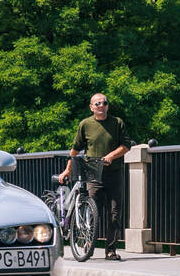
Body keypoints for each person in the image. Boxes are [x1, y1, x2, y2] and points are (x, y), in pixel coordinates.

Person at [57, 92, 132, 261]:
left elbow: (126, 145)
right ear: (91, 107)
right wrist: (67, 170)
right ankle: (87, 245)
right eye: (97, 104)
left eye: (104, 103)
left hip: (114, 173)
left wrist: (111, 156)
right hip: (92, 173)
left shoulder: (117, 122)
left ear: (107, 106)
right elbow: (75, 150)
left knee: (115, 213)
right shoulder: (85, 124)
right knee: (91, 210)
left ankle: (111, 251)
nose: (101, 106)